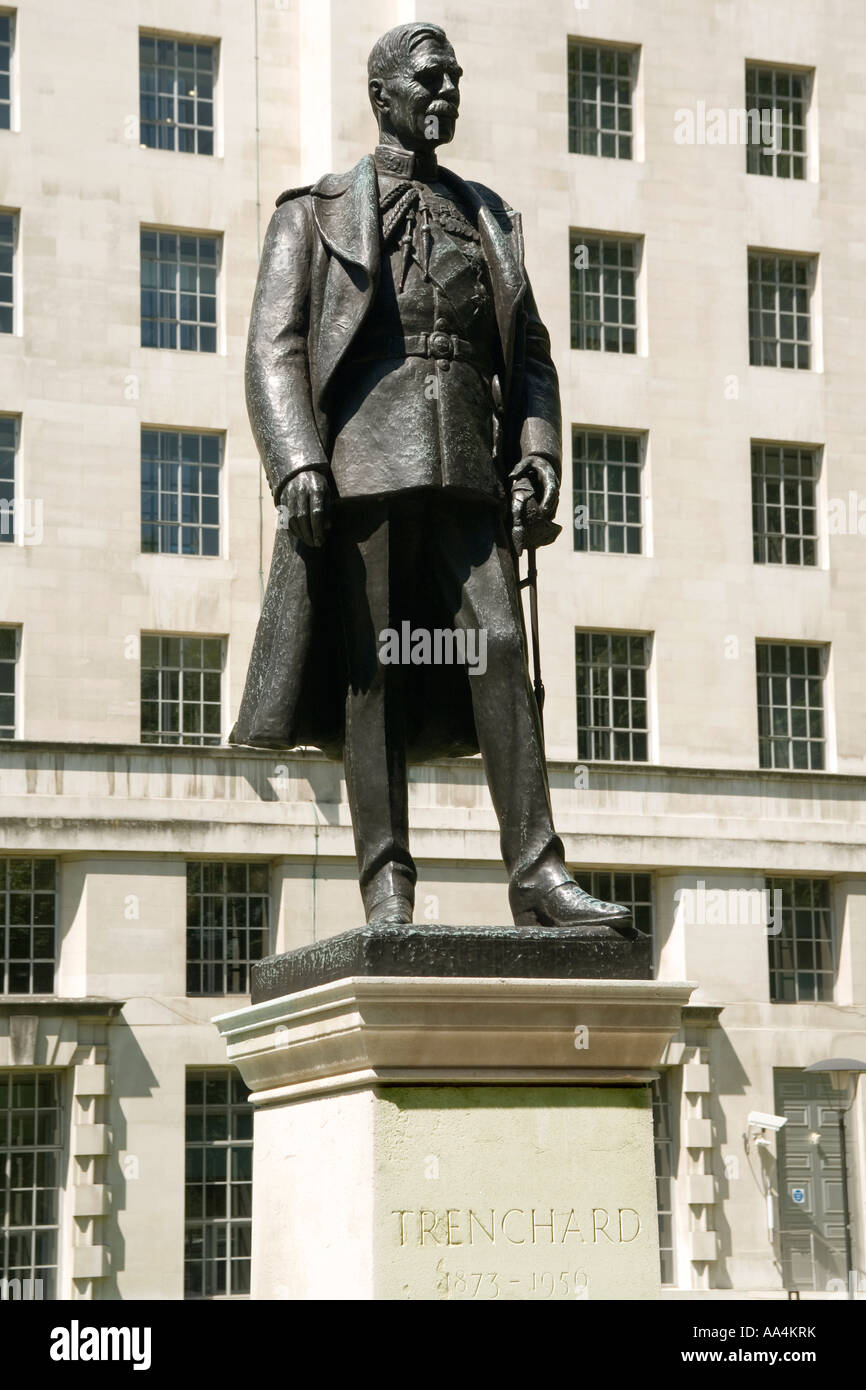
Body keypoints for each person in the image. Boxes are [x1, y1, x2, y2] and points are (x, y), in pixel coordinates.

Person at [231, 22, 632, 935]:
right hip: (363, 472)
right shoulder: (314, 211)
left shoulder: (489, 215)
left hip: (469, 472)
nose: (447, 91)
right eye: (428, 78)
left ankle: (538, 873)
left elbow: (530, 356)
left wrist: (538, 453)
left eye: (455, 77)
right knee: (372, 672)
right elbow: (272, 350)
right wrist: (297, 460)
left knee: (501, 652)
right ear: (382, 95)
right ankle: (387, 884)